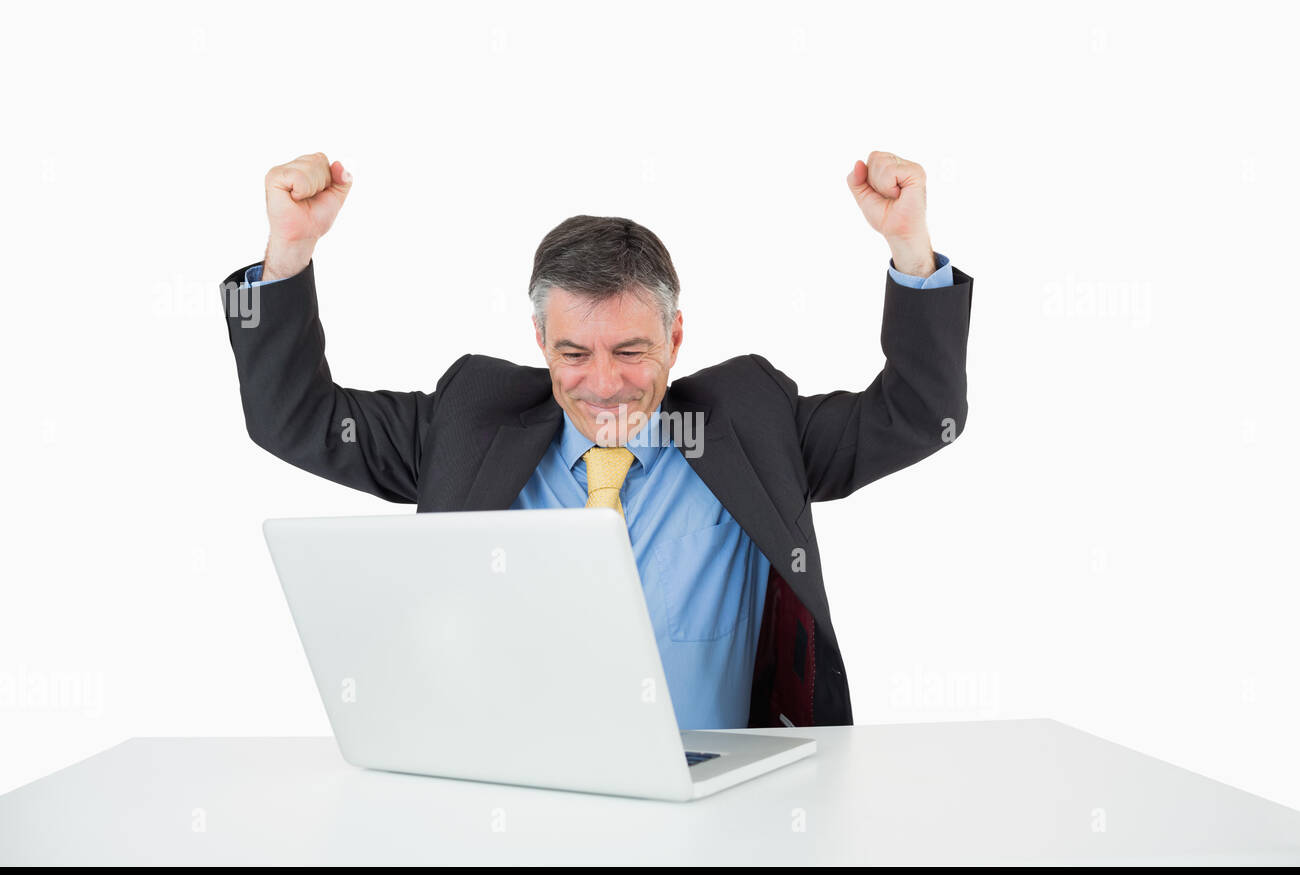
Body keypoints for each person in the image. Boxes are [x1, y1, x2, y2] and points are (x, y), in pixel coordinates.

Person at [218, 150, 973, 730]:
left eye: (632, 351)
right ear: (539, 339)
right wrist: (288, 254)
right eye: (574, 353)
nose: (603, 383)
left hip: (718, 814)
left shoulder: (753, 427)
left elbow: (918, 413)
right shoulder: (470, 422)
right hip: (509, 797)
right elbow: (294, 420)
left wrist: (911, 247)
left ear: (676, 337)